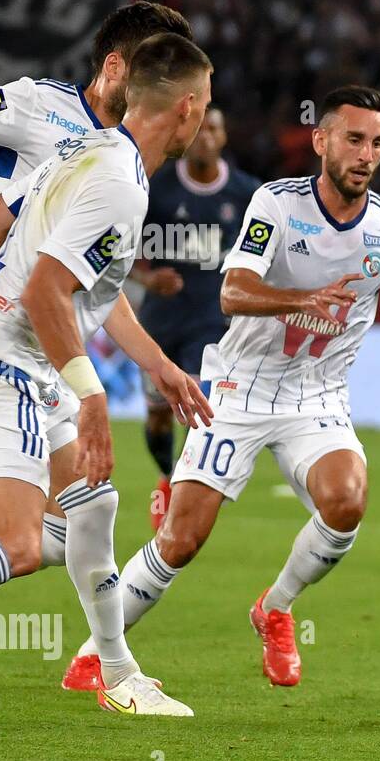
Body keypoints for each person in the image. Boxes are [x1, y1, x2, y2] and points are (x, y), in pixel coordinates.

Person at [63, 86, 380, 690]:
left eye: (378, 142)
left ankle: (275, 608)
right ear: (321, 140)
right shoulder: (275, 205)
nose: (366, 154)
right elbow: (234, 291)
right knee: (181, 539)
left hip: (317, 398)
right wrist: (303, 298)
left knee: (347, 500)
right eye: (354, 139)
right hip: (238, 390)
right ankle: (97, 652)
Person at [0, 33, 215, 715]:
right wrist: (93, 396)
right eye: (207, 103)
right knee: (14, 543)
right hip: (4, 360)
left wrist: (157, 364)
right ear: (186, 109)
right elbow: (47, 290)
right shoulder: (118, 184)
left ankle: (117, 673)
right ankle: (116, 670)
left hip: (14, 353)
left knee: (90, 508)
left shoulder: (90, 152)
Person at [0, 0, 193, 559]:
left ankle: (108, 651)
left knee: (65, 525)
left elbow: (77, 281)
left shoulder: (125, 163)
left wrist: (155, 362)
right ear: (115, 67)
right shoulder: (37, 105)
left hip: (32, 356)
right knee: (20, 535)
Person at [128, 107, 258, 529]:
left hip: (214, 325)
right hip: (160, 323)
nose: (205, 136)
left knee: (199, 407)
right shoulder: (155, 187)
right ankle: (166, 478)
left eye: (214, 129)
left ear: (224, 138)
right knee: (159, 415)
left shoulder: (245, 195)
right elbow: (115, 246)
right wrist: (147, 280)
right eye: (199, 128)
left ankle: (184, 490)